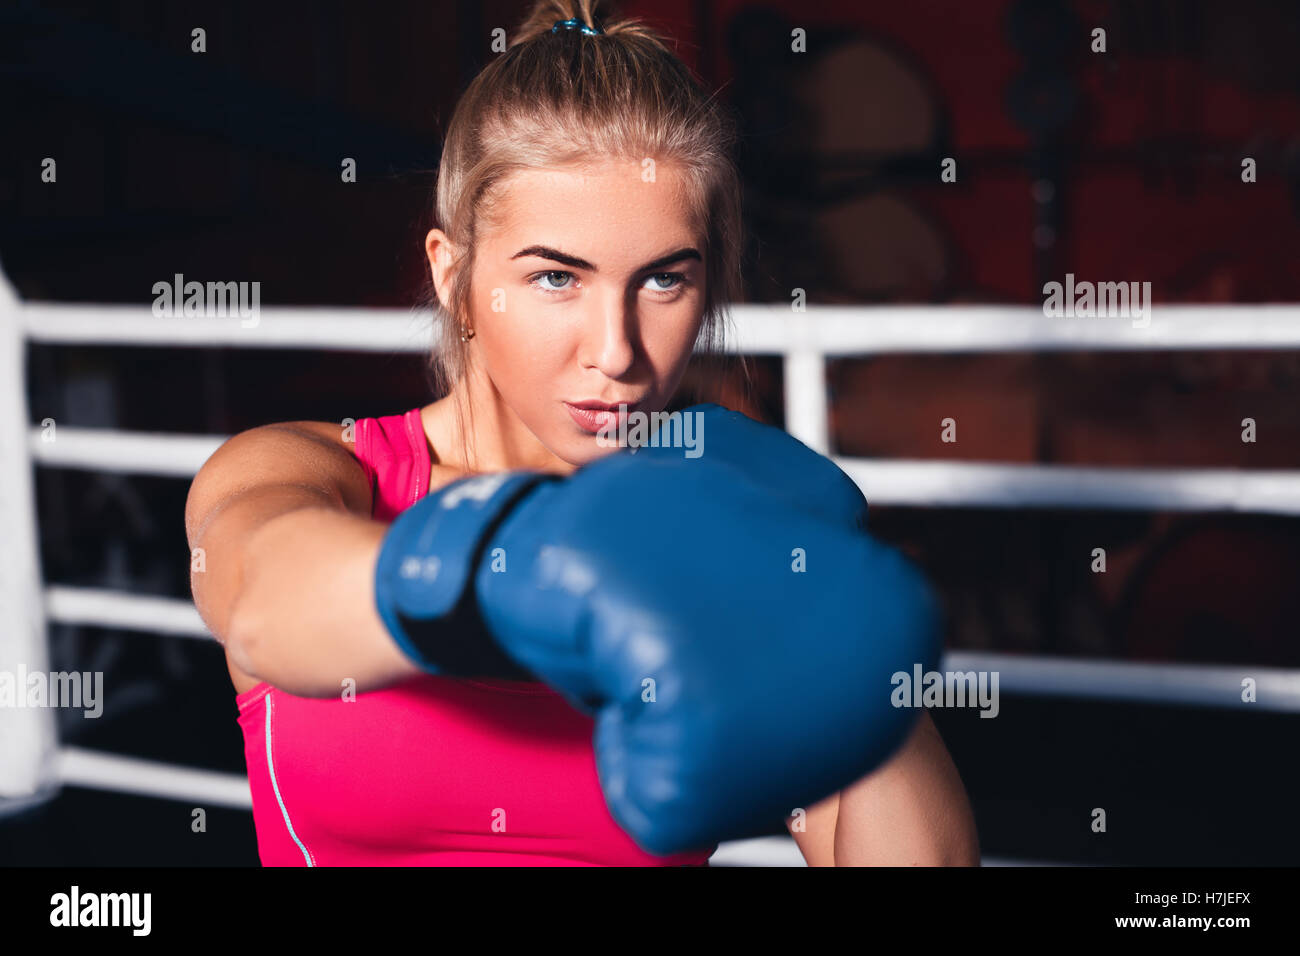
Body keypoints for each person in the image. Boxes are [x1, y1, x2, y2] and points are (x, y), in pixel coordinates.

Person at [185, 0, 979, 866]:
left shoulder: (721, 527)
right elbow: (257, 600)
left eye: (664, 280)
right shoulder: (316, 469)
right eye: (557, 277)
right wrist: (529, 559)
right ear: (455, 276)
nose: (617, 352)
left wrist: (847, 654)